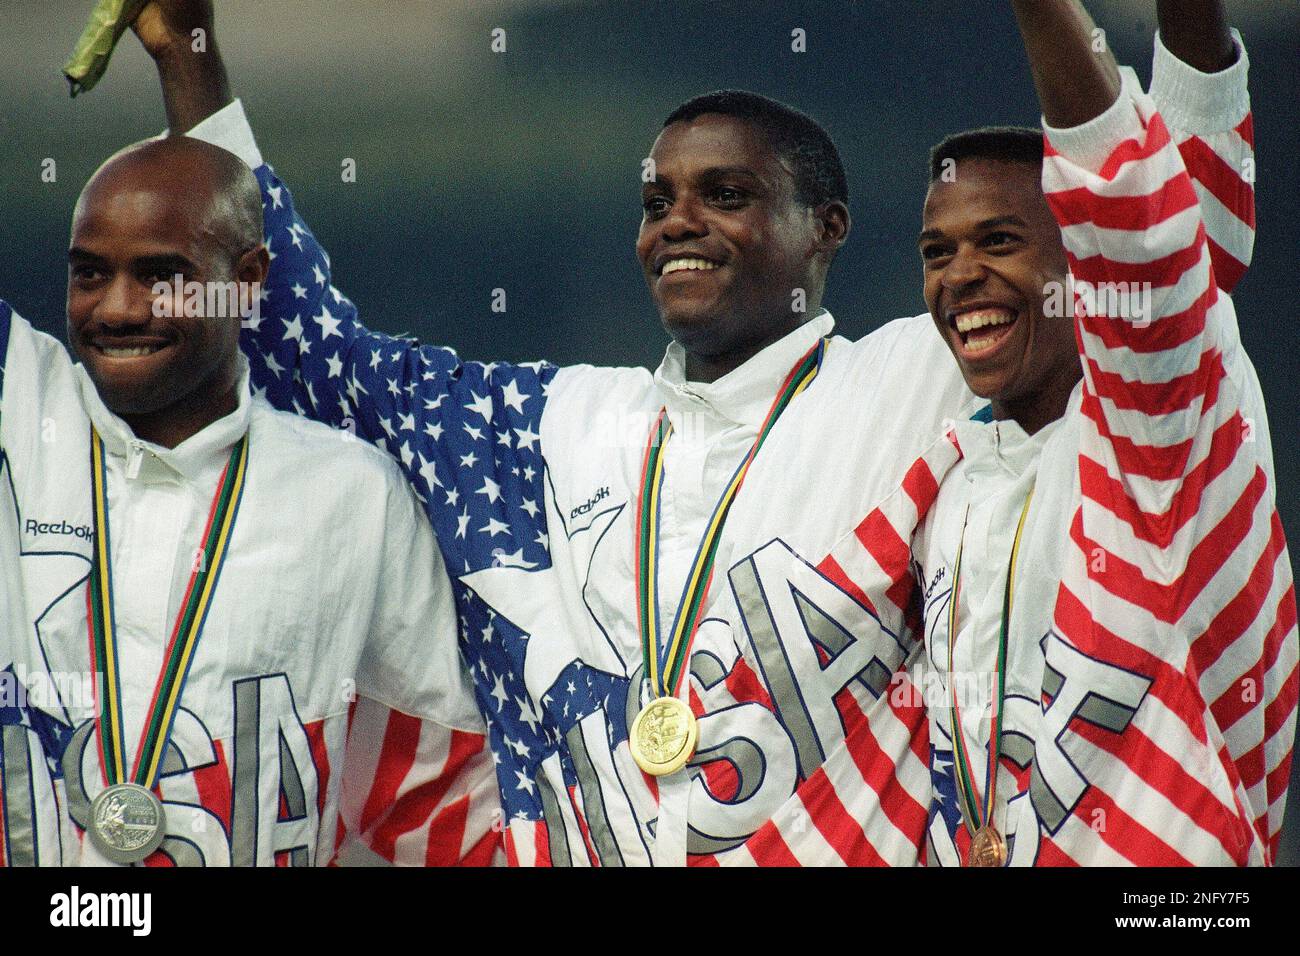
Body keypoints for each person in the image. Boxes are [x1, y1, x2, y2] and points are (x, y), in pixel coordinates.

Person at [166, 0, 1267, 863]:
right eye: (657, 201)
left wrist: (1185, 27)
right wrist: (192, 67)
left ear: (824, 229)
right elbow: (323, 357)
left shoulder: (926, 379)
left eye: (727, 192)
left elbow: (1166, 255)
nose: (679, 221)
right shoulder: (550, 424)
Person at [838, 0, 1294, 865]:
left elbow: (1133, 189)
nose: (961, 275)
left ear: (1084, 261)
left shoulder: (1164, 416)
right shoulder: (950, 468)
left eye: (1000, 240)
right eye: (937, 252)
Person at [0, 115, 497, 865]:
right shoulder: (18, 411)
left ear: (249, 282)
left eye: (162, 276)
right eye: (90, 273)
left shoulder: (350, 494)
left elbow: (442, 790)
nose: (118, 309)